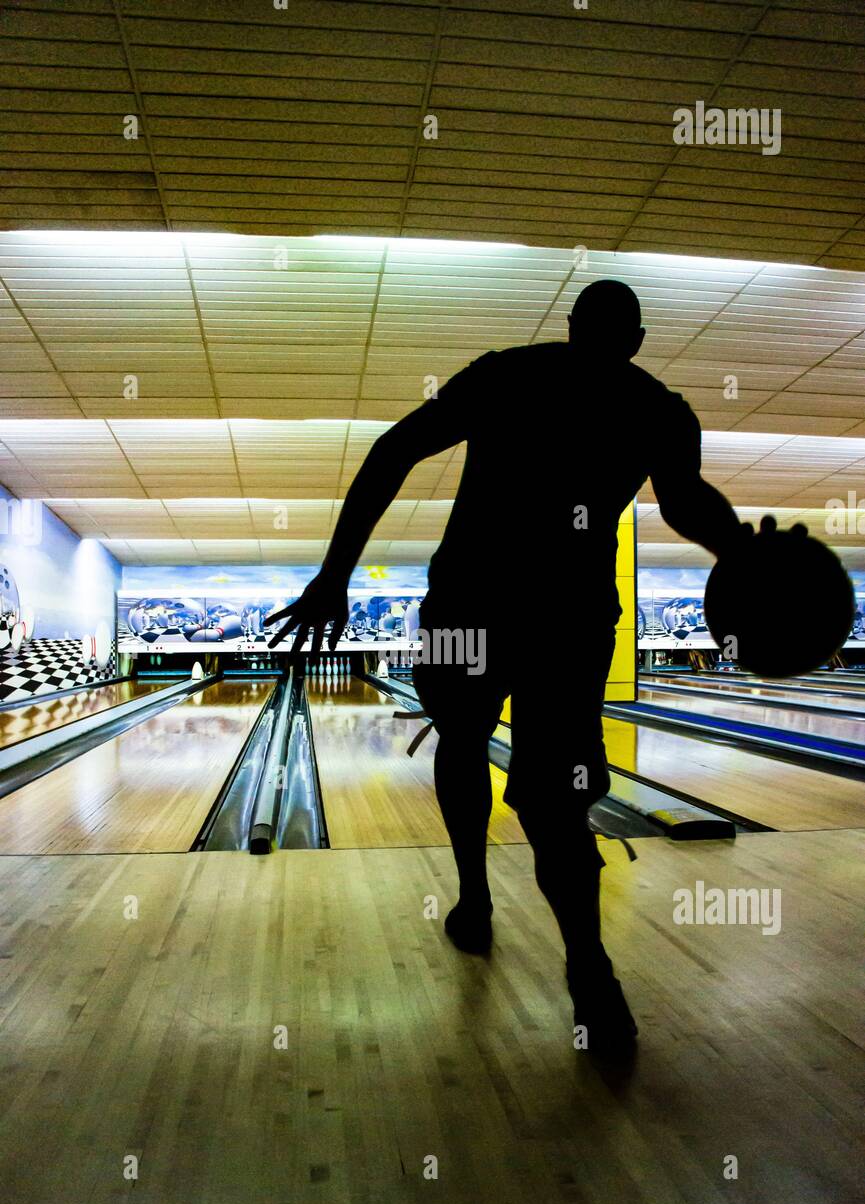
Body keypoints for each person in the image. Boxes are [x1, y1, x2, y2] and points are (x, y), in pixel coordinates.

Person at [266, 280, 745, 1057]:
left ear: (572, 327)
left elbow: (393, 449)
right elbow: (685, 503)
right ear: (636, 339)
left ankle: (476, 898)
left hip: (470, 605)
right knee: (556, 798)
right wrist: (743, 555)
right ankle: (584, 963)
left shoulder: (508, 373)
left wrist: (336, 573)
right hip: (568, 617)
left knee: (461, 739)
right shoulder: (655, 405)